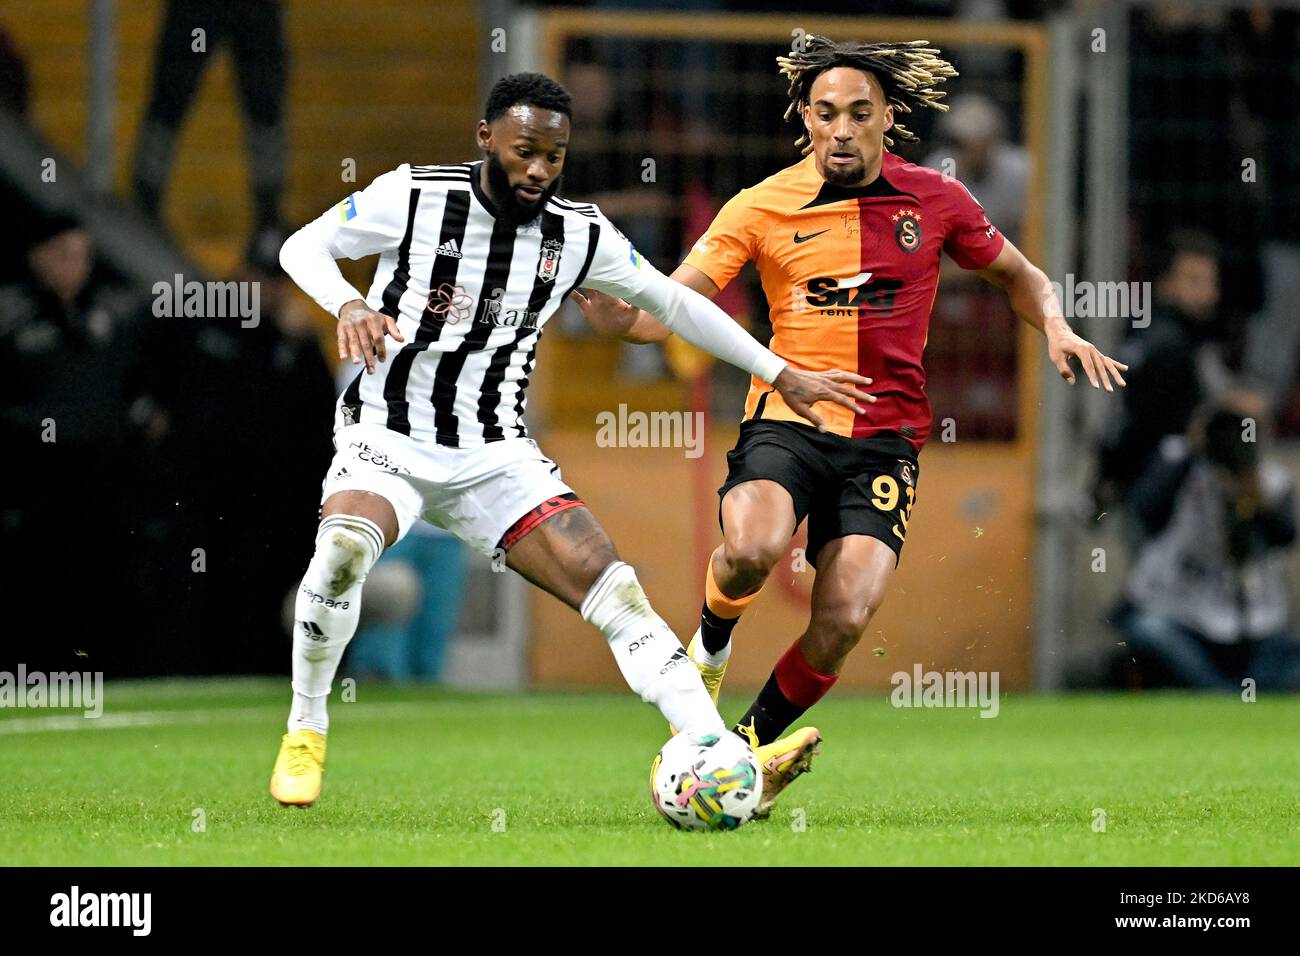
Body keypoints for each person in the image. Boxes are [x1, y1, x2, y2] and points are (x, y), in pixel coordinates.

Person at [269, 72, 873, 808]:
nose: (538, 170)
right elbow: (303, 247)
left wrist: (782, 373)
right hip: (388, 433)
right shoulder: (415, 195)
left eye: (554, 157)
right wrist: (350, 301)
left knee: (615, 589)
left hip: (495, 453)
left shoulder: (577, 233)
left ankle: (718, 754)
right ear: (486, 138)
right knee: (341, 553)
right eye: (525, 151)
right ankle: (306, 728)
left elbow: (676, 305)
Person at [577, 37, 1128, 812]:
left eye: (858, 115)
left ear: (887, 120)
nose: (841, 129)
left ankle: (741, 749)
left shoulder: (937, 199)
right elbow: (672, 309)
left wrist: (1059, 327)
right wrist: (617, 318)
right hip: (789, 419)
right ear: (805, 118)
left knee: (844, 617)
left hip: (885, 439)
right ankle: (708, 645)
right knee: (754, 549)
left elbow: (1018, 275)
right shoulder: (761, 205)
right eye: (826, 113)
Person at [1116, 396, 1300, 691]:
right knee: (1148, 631)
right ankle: (1222, 693)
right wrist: (1194, 446)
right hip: (1185, 618)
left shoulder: (1271, 480)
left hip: (1254, 624)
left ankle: (1224, 691)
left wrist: (1254, 495)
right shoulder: (1180, 462)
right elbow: (1146, 511)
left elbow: (1285, 537)